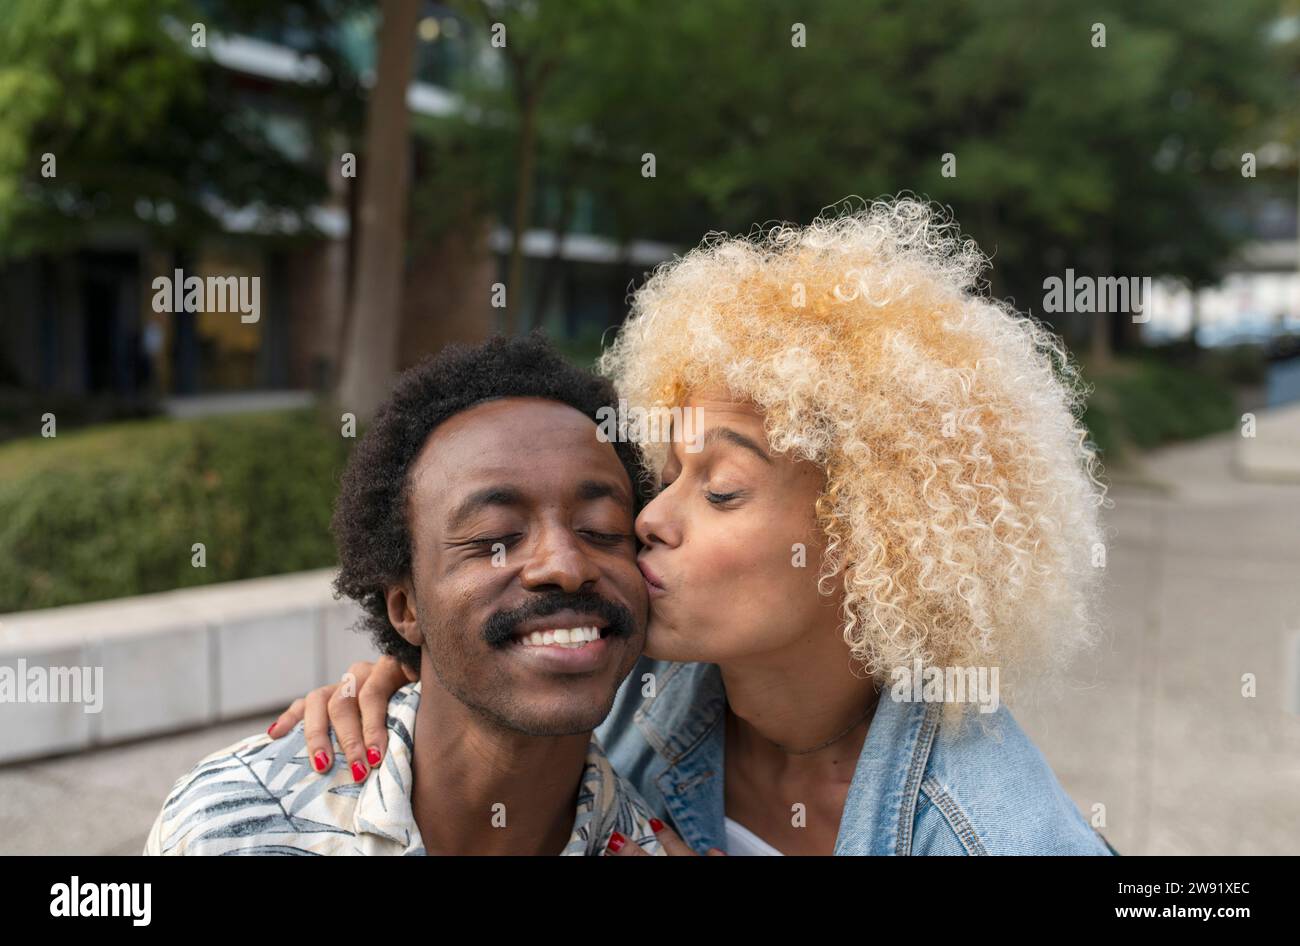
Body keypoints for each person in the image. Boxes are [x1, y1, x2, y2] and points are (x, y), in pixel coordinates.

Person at [270, 197, 1117, 855]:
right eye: (667, 476)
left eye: (722, 491)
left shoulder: (996, 827)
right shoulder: (632, 684)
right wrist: (410, 690)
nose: (648, 519)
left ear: (875, 536)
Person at [144, 334, 666, 855]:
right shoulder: (235, 828)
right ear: (405, 606)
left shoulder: (659, 843)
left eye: (602, 529)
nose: (566, 566)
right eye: (495, 538)